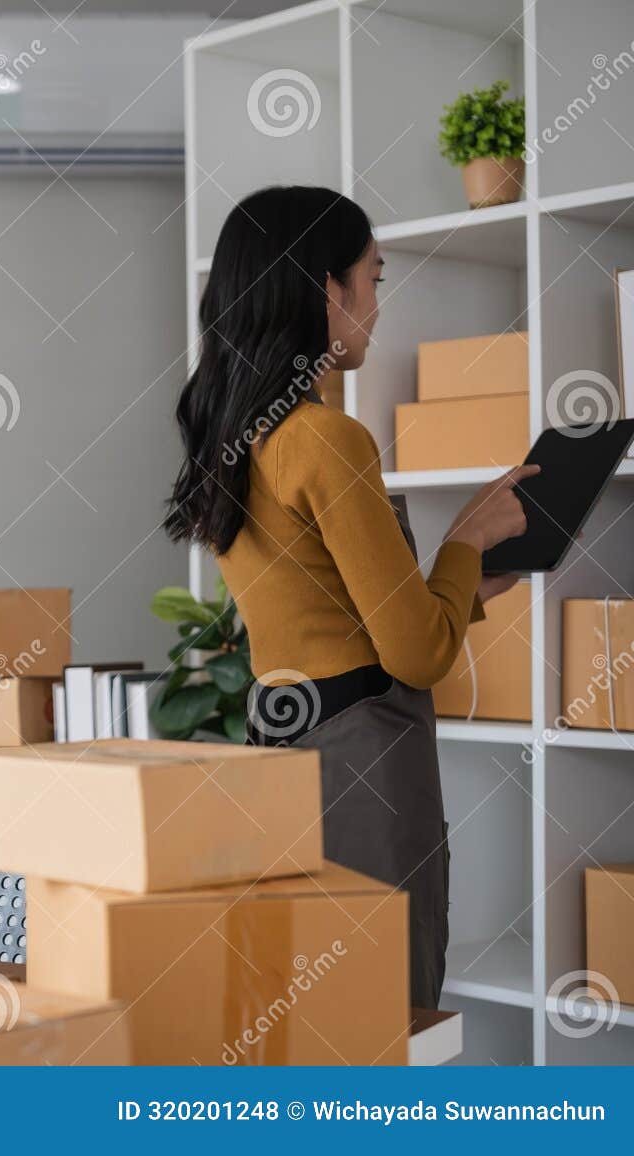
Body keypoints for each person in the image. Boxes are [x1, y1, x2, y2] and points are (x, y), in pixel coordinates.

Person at [164, 185, 535, 1008]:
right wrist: (466, 540)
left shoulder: (241, 436)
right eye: (373, 276)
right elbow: (415, 651)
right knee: (387, 1010)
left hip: (283, 743)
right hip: (363, 751)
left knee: (311, 1009)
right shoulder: (331, 440)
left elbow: (322, 609)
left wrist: (464, 584)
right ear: (327, 290)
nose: (376, 299)